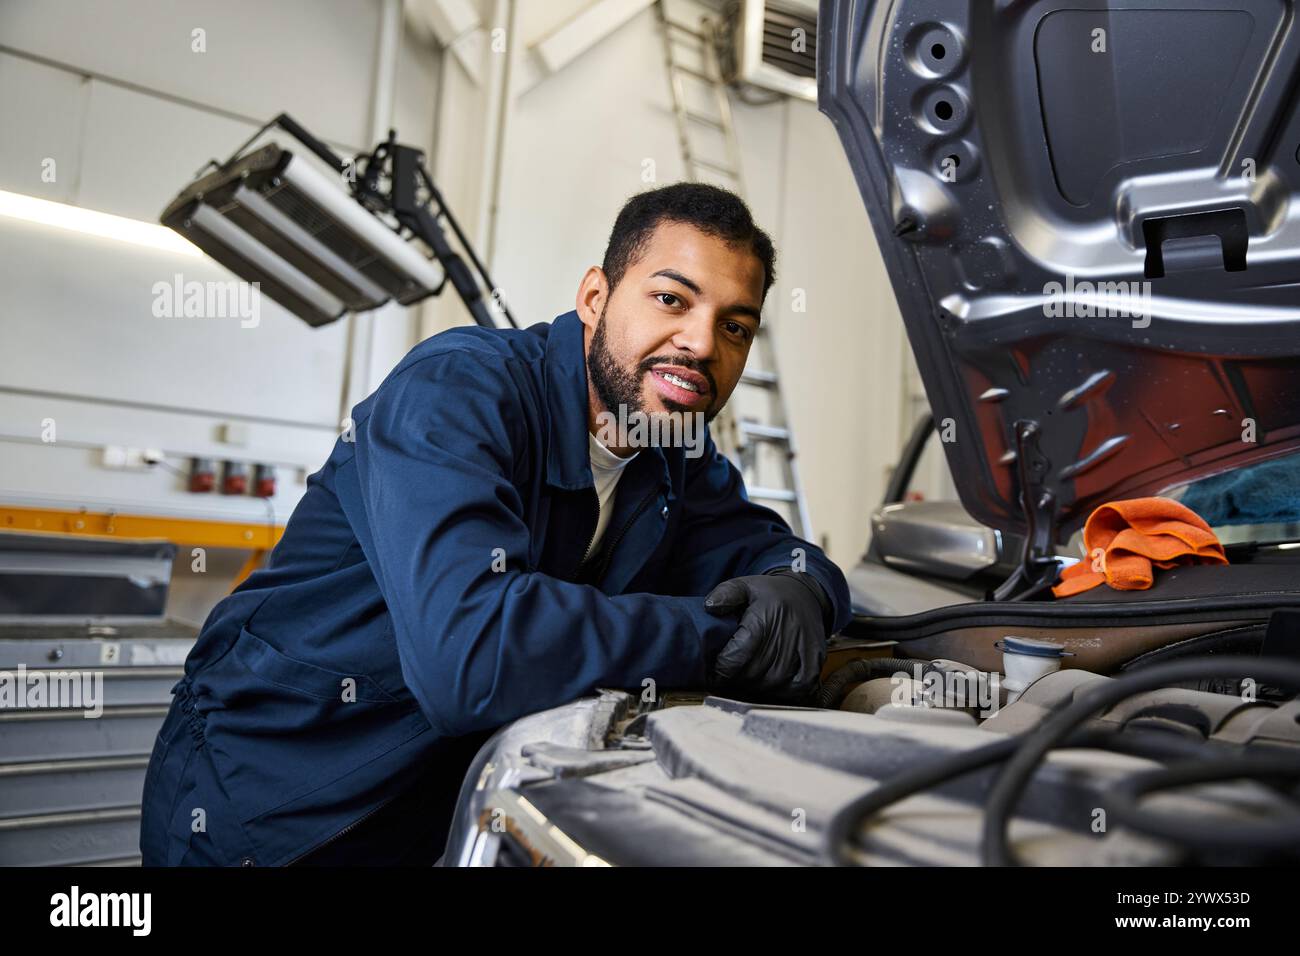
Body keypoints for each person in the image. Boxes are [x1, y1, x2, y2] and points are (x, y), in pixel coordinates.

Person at [139, 182, 851, 866]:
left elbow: (770, 552)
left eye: (735, 326)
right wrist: (719, 634)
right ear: (595, 297)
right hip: (269, 803)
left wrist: (808, 590)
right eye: (671, 299)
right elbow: (471, 657)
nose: (701, 344)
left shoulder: (674, 456)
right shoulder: (457, 391)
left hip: (431, 815)